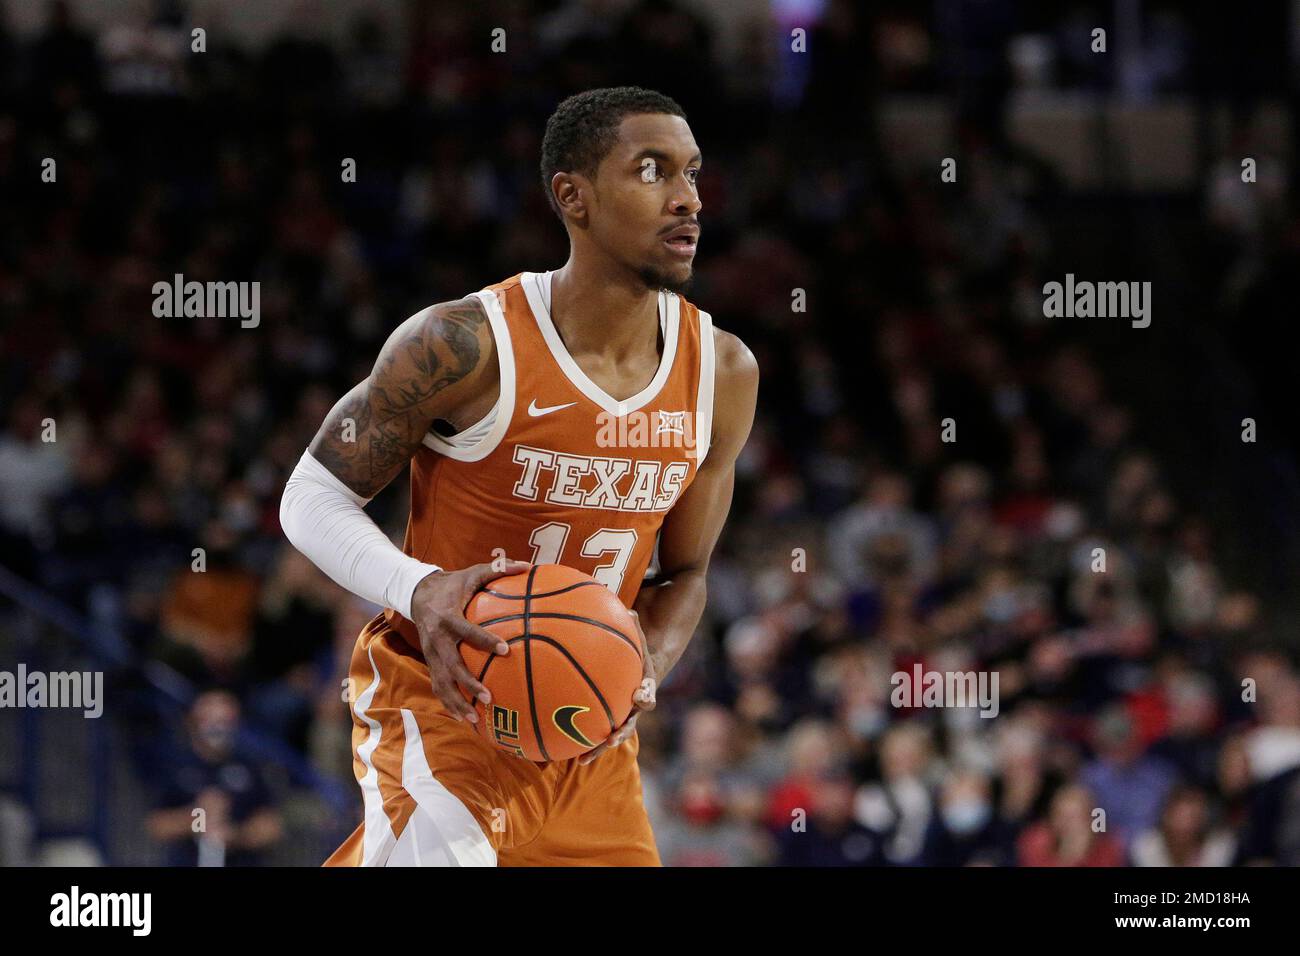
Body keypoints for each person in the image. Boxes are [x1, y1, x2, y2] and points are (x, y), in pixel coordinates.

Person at [280, 86, 758, 866]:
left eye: (694, 174)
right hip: (444, 705)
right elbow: (311, 496)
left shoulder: (724, 372)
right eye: (652, 171)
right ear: (573, 195)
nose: (688, 200)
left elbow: (687, 572)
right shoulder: (466, 344)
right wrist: (419, 587)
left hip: (586, 736)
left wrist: (644, 668)